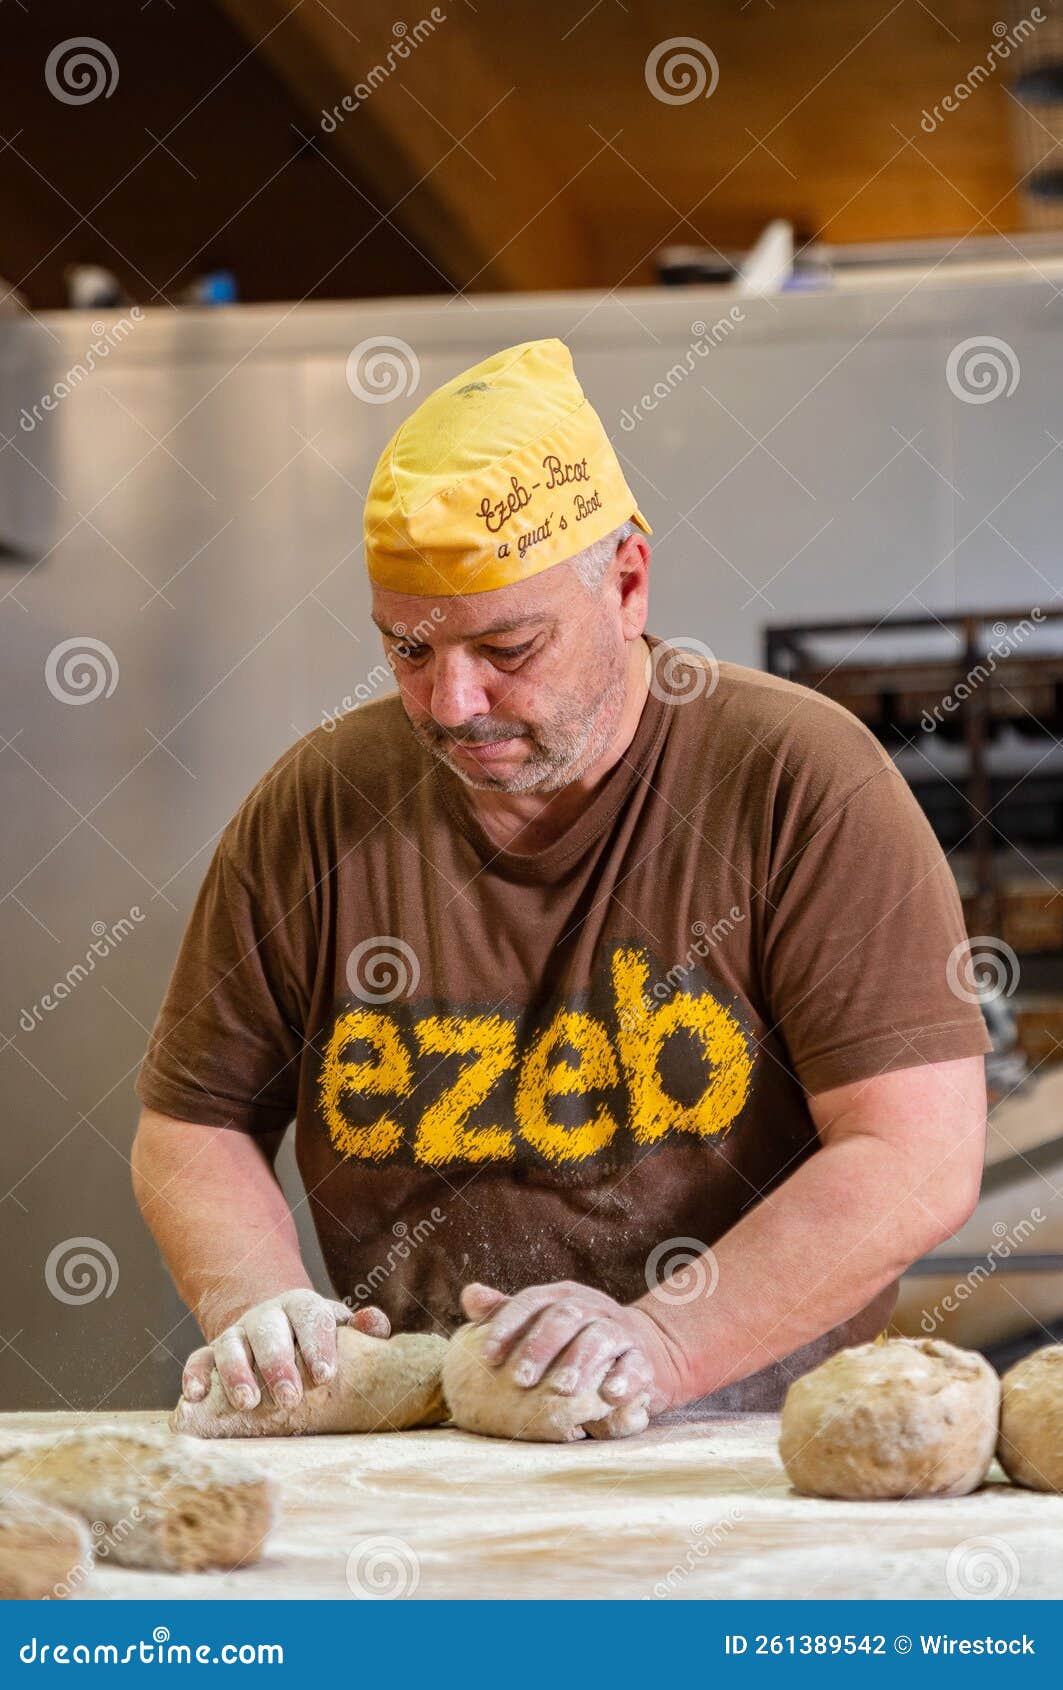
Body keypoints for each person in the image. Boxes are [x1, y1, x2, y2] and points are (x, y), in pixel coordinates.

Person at [132, 337, 990, 1431]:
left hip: (737, 1451)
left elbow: (916, 1154)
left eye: (507, 645)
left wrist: (660, 1342)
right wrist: (259, 1307)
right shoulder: (318, 804)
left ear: (627, 584)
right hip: (420, 1457)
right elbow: (192, 1126)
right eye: (406, 651)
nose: (450, 702)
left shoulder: (796, 783)